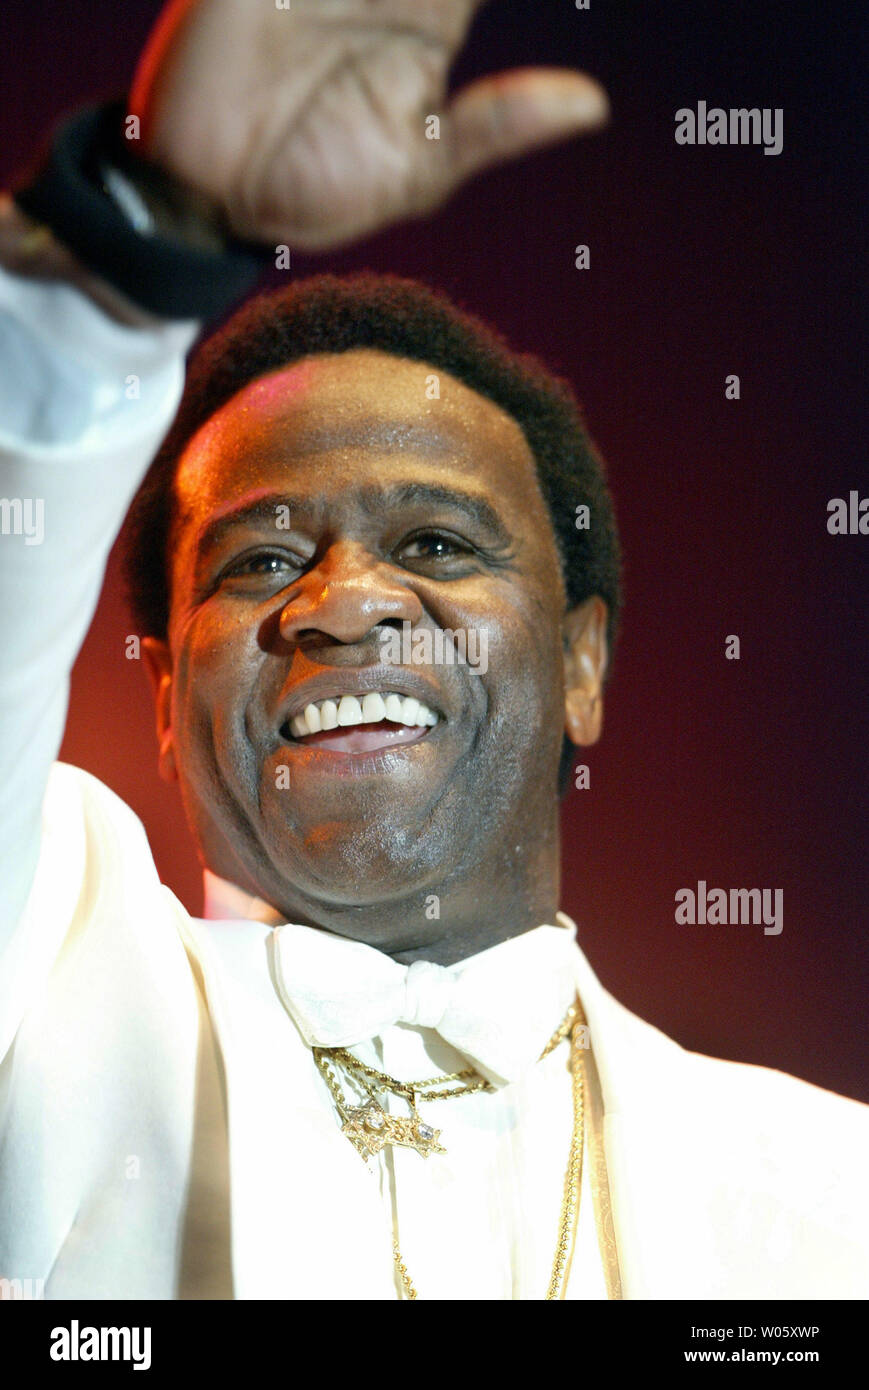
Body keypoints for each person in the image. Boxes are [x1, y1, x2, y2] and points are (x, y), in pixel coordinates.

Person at [0, 0, 866, 1302]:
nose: (343, 607)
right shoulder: (44, 995)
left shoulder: (828, 1190)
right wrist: (142, 234)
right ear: (171, 699)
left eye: (441, 544)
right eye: (261, 561)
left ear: (580, 667)